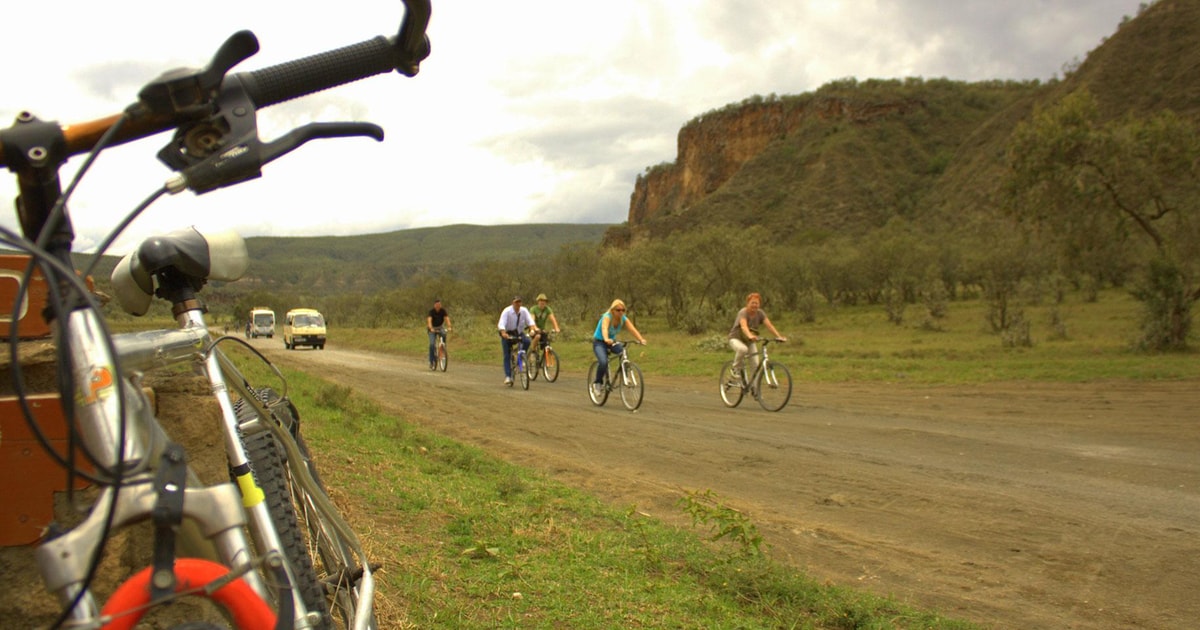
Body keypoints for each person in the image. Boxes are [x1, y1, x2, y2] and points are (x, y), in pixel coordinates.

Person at [591, 299, 647, 395]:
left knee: (623, 351)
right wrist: (606, 338)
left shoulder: (623, 319)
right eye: (618, 310)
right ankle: (598, 383)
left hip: (611, 342)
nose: (621, 312)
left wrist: (641, 339)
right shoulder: (607, 317)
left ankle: (625, 376)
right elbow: (604, 328)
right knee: (603, 362)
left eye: (623, 310)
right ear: (612, 310)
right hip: (599, 342)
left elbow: (632, 329)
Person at [728, 292, 786, 376]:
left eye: (757, 303)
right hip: (736, 338)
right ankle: (735, 369)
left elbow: (769, 326)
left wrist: (779, 337)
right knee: (743, 349)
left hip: (749, 341)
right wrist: (750, 335)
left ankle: (754, 388)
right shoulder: (743, 312)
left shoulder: (760, 313)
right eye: (752, 303)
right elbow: (744, 326)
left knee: (755, 364)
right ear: (747, 303)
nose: (755, 305)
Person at [497, 296, 538, 384]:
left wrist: (532, 330)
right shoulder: (507, 311)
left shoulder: (524, 311)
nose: (518, 304)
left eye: (519, 302)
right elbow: (501, 323)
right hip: (508, 334)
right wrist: (503, 333)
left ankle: (521, 356)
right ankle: (508, 376)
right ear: (513, 303)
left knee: (527, 341)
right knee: (507, 354)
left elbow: (530, 322)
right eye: (516, 302)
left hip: (518, 333)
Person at [426, 298, 452, 370]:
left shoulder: (443, 311)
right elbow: (429, 320)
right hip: (432, 329)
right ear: (434, 305)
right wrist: (431, 328)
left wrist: (449, 327)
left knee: (444, 334)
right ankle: (431, 361)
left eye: (439, 305)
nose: (438, 306)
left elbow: (447, 319)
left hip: (440, 327)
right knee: (432, 344)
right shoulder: (431, 312)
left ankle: (443, 348)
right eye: (437, 305)